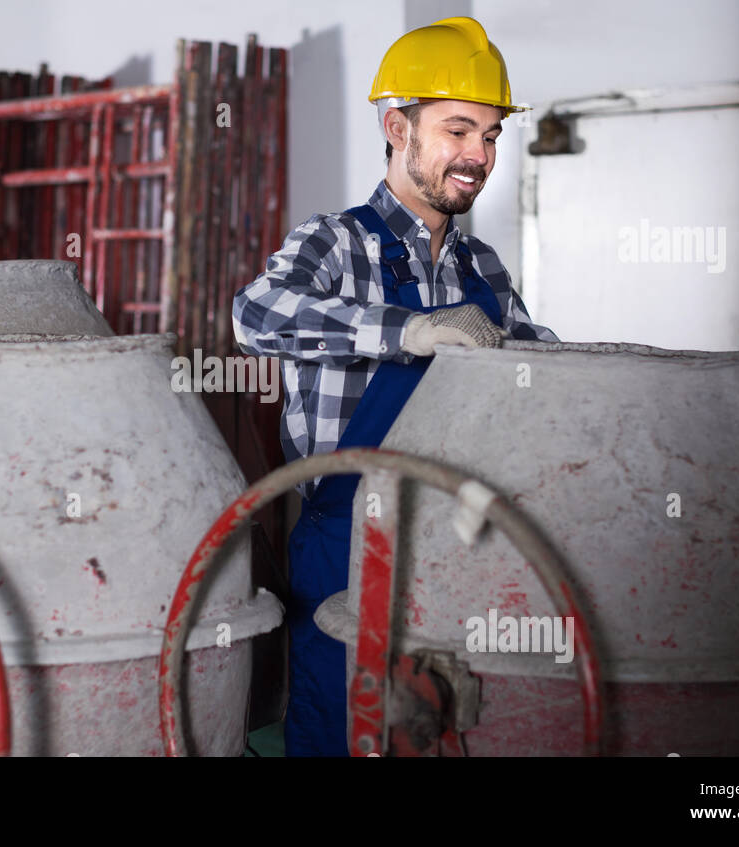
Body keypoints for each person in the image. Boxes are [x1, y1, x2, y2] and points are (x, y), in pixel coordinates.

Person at [232, 16, 558, 756]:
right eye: (458, 129)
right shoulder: (334, 241)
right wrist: (406, 331)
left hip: (465, 531)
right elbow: (255, 313)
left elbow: (540, 369)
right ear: (396, 127)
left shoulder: (485, 271)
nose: (480, 155)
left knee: (442, 718)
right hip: (348, 531)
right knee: (343, 715)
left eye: (492, 135)